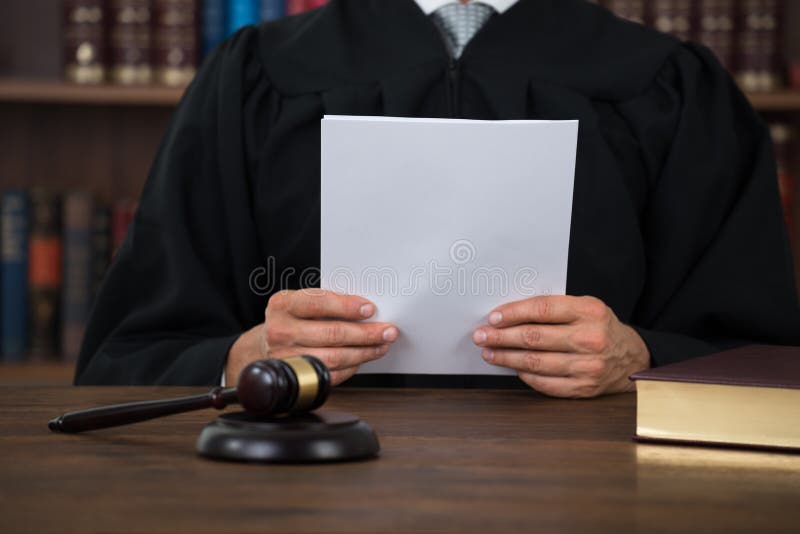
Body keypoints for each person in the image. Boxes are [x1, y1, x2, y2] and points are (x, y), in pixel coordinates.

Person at [75, 0, 800, 397]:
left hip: (599, 489)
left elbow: (759, 359)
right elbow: (130, 352)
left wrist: (637, 357)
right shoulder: (257, 74)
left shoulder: (670, 83)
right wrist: (243, 358)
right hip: (295, 479)